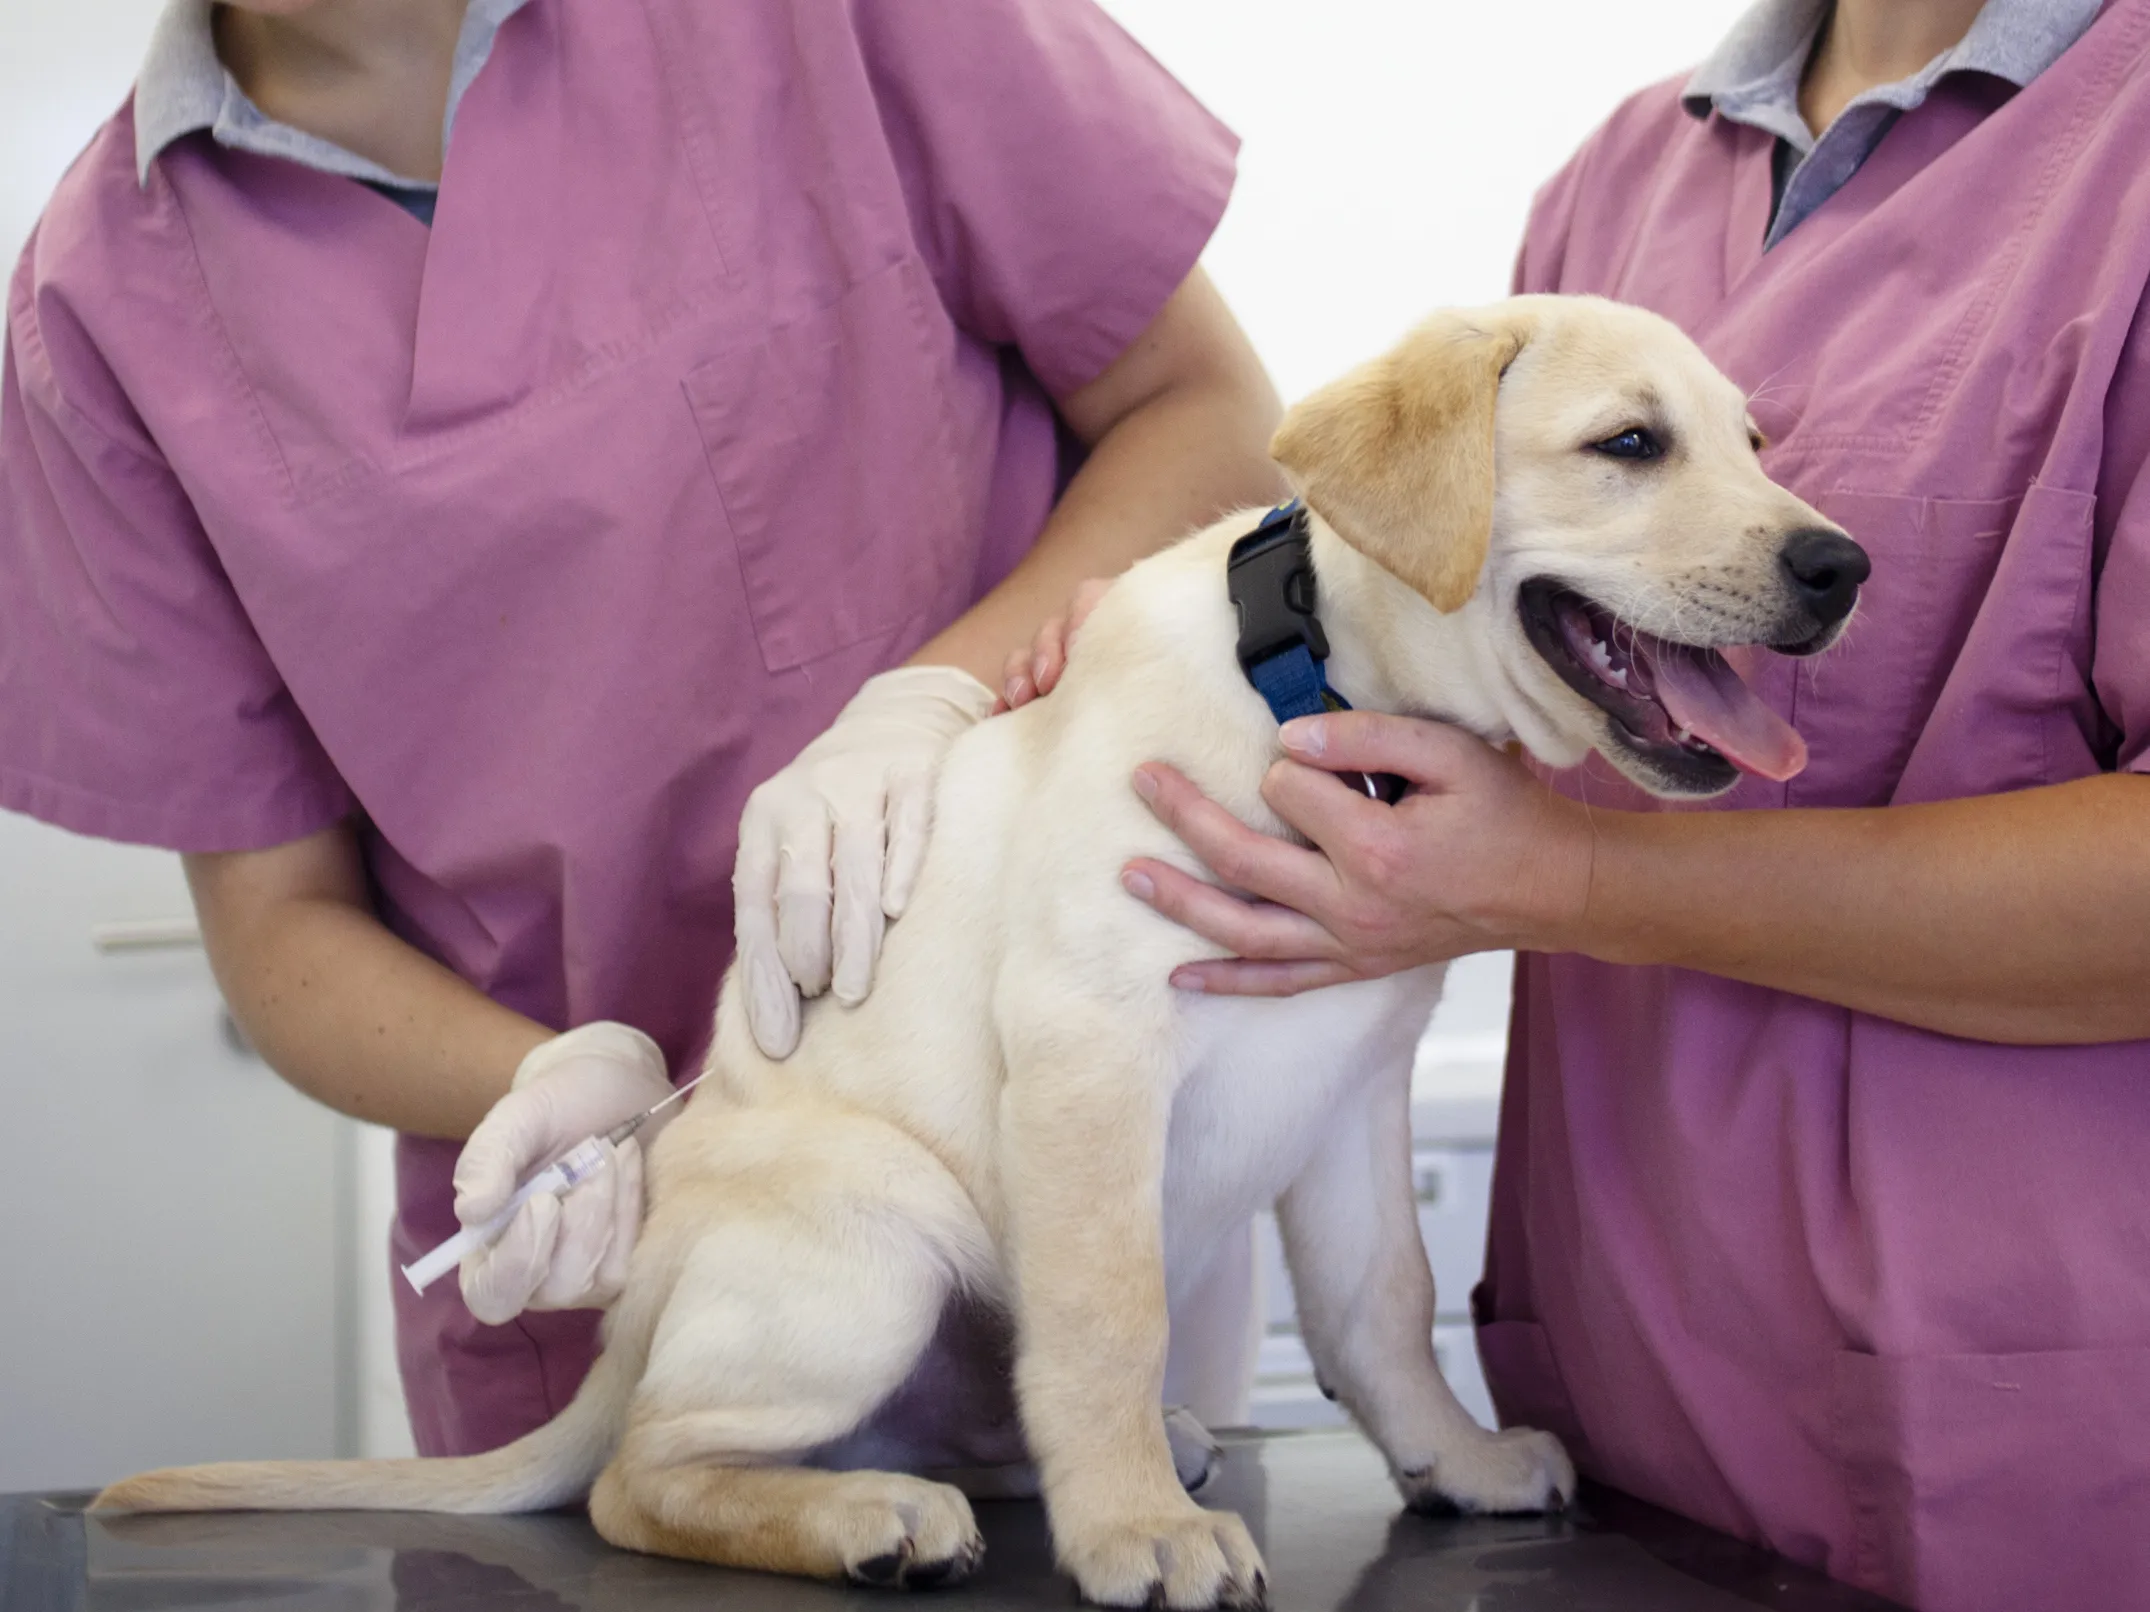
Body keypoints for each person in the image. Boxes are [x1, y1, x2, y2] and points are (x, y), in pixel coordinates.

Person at [0, 0, 1284, 1457]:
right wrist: (554, 1088)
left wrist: (934, 703)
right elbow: (279, 927)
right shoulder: (97, 316)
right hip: (621, 1277)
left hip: (1072, 1161)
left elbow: (1209, 413)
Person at [1112, 1, 2150, 1608]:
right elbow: (1466, 622)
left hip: (2016, 1418)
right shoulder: (1624, 175)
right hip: (1615, 1396)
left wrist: (1573, 877)